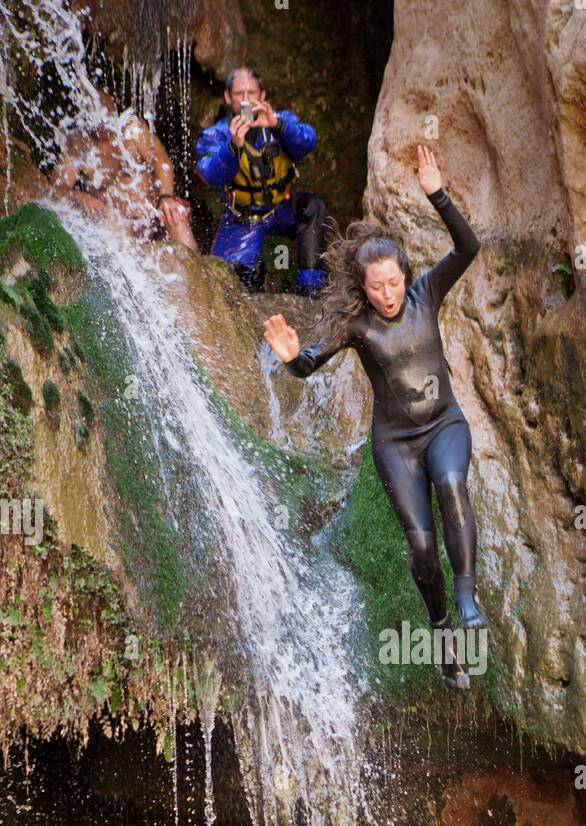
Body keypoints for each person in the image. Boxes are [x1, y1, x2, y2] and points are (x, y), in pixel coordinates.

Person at [263, 145, 486, 692]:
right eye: (375, 286)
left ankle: (465, 596)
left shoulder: (426, 293)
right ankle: (440, 634)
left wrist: (436, 192)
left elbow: (468, 246)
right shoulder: (357, 325)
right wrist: (293, 357)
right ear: (362, 287)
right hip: (395, 443)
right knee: (421, 546)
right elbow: (310, 362)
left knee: (454, 485)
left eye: (393, 282)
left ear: (405, 274)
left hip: (443, 425)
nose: (387, 294)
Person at [195, 66, 330, 294]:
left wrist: (278, 125)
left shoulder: (278, 120)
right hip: (243, 217)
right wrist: (232, 147)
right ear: (228, 97)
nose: (246, 99)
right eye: (239, 94)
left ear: (262, 95)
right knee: (227, 286)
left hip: (282, 208)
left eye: (252, 92)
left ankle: (311, 287)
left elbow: (308, 141)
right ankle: (255, 277)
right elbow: (210, 173)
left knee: (313, 206)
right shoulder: (217, 134)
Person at [51, 90, 197, 249]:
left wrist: (166, 197)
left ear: (115, 109)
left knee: (174, 215)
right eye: (96, 115)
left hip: (154, 212)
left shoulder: (133, 129)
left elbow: (163, 163)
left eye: (107, 113)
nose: (103, 121)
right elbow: (57, 188)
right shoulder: (79, 145)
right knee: (108, 225)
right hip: (120, 225)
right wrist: (81, 196)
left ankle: (198, 269)